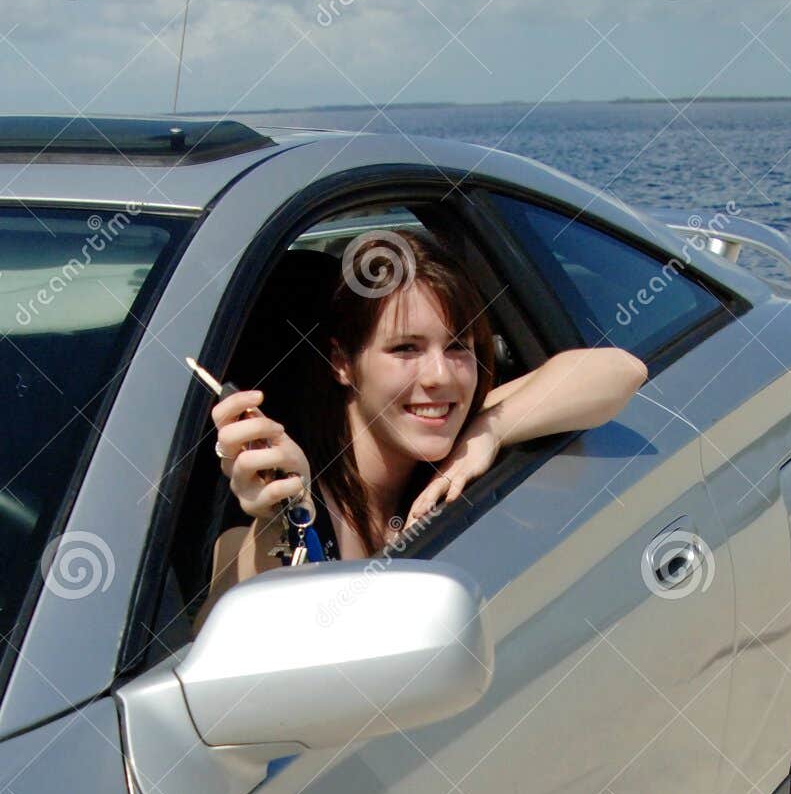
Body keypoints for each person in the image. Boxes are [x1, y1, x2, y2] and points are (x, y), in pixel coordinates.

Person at [193, 228, 647, 634]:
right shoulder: (300, 499)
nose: (440, 377)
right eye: (405, 348)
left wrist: (489, 431)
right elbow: (218, 635)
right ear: (342, 362)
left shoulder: (453, 430)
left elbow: (621, 371)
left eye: (457, 346)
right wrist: (281, 520)